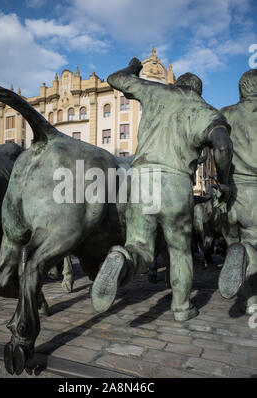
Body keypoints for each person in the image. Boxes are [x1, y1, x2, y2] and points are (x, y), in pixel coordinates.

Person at [91, 57, 233, 321]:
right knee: (179, 249)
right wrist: (223, 181)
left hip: (141, 178)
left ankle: (124, 259)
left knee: (140, 246)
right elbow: (223, 147)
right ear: (197, 91)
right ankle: (181, 308)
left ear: (176, 85)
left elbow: (114, 79)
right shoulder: (206, 110)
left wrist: (133, 67)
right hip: (176, 183)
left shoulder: (155, 91)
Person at [218, 69, 257, 315]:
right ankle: (250, 254)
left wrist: (223, 183)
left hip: (233, 195)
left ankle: (251, 302)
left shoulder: (225, 114)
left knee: (236, 244)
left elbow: (219, 150)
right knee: (251, 246)